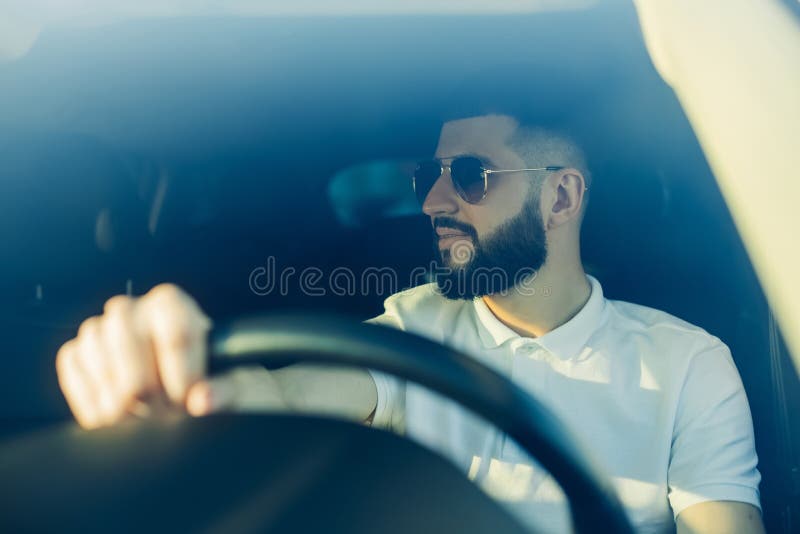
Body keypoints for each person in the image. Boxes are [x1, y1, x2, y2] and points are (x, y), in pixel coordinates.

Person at [56, 111, 766, 533]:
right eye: (427, 176)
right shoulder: (413, 331)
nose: (431, 202)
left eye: (468, 175)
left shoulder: (689, 363)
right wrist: (178, 369)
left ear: (560, 196)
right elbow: (288, 397)